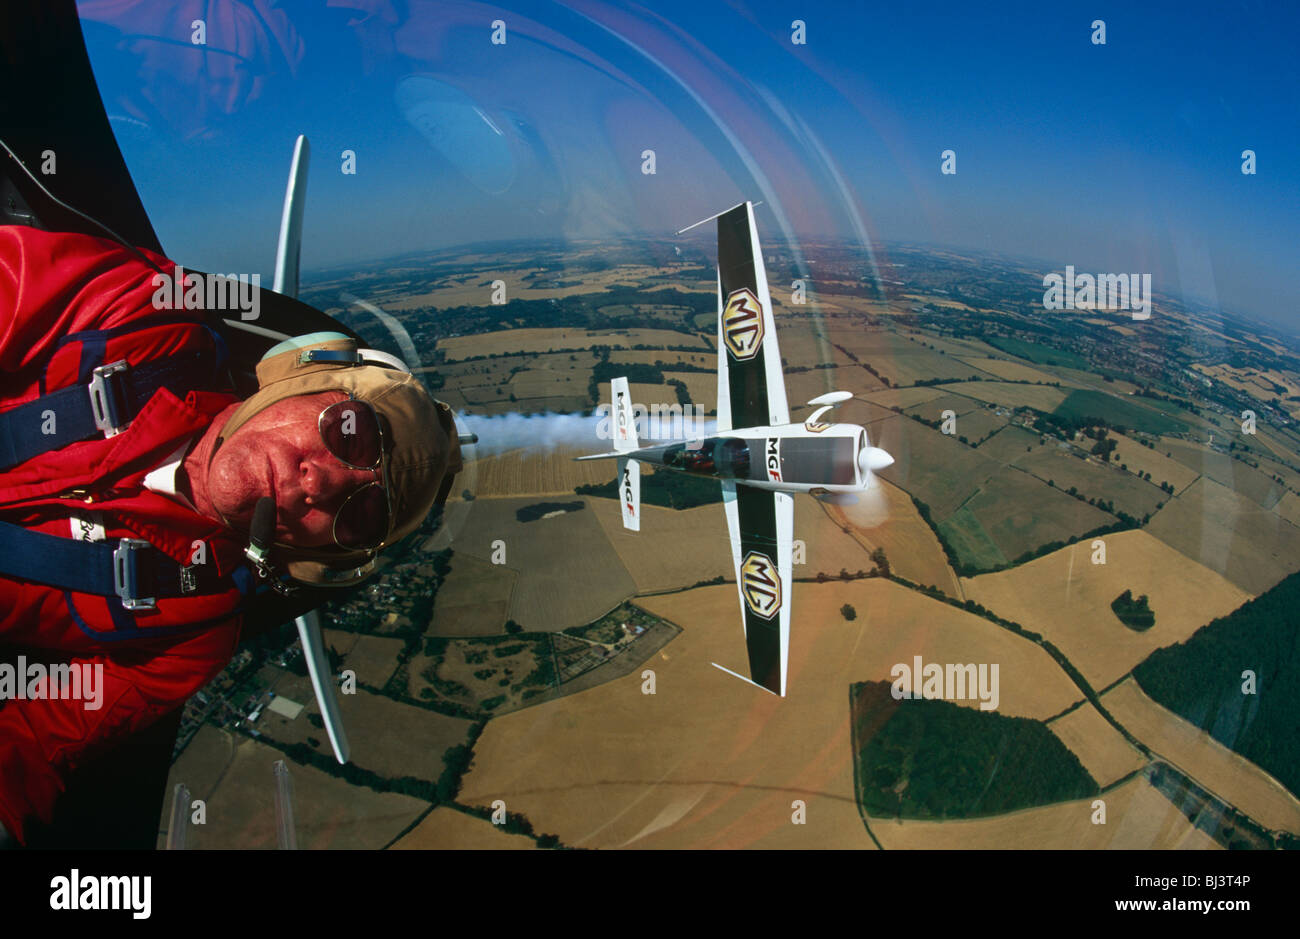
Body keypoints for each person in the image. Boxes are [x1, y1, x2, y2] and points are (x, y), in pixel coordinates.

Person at [0, 224, 461, 847]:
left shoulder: (187, 633)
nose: (322, 480)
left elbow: (27, 750)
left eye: (357, 514)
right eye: (349, 433)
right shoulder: (134, 310)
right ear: (303, 377)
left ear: (323, 554)